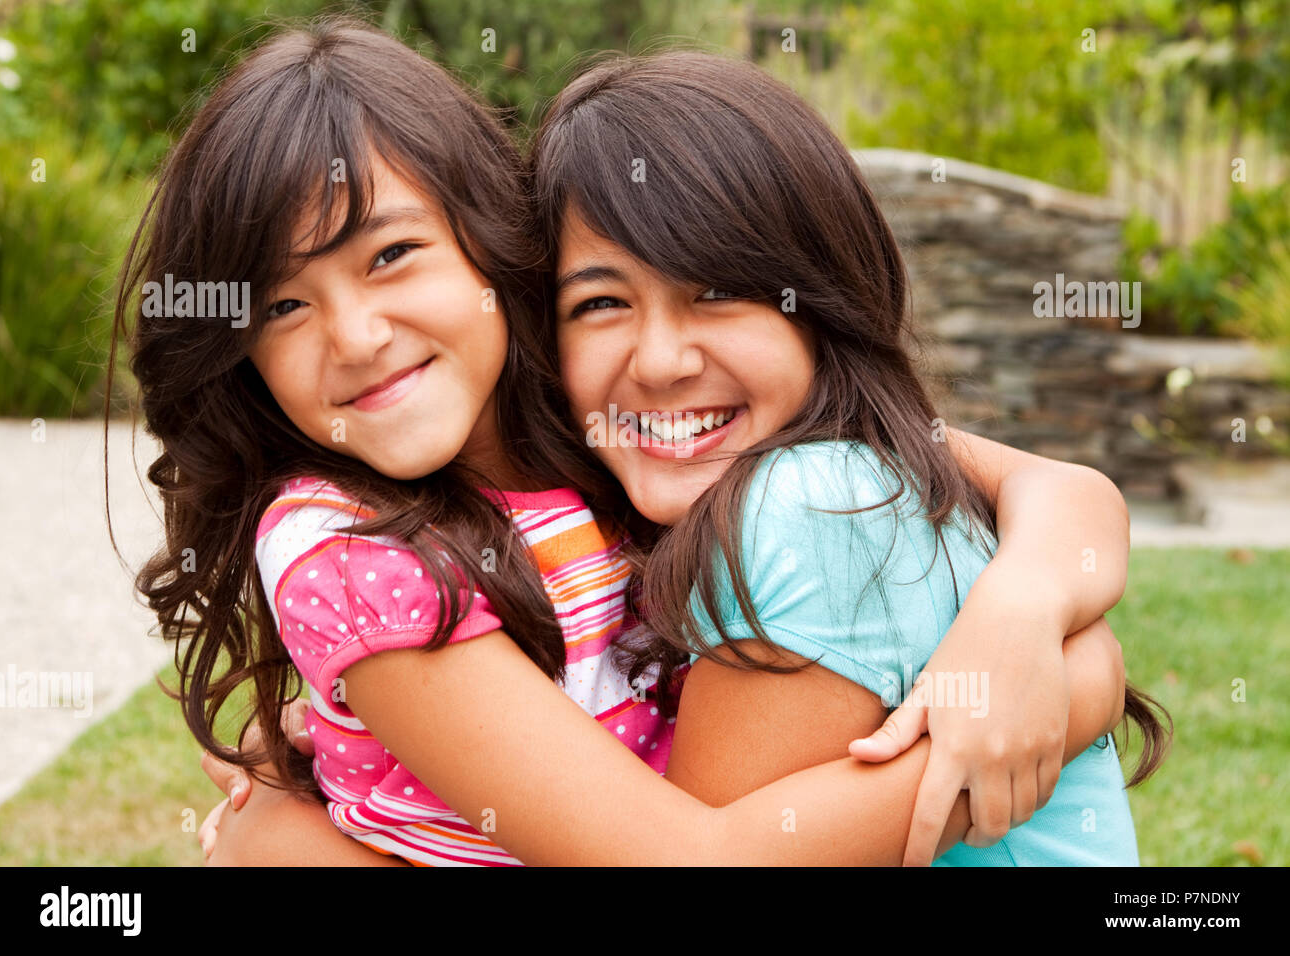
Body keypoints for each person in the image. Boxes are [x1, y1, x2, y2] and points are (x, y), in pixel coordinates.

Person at [118, 21, 1138, 866]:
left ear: (489, 241)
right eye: (284, 303)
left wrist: (1030, 614)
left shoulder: (615, 442)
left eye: (391, 254)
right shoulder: (354, 555)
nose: (355, 335)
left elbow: (1052, 482)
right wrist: (1069, 688)